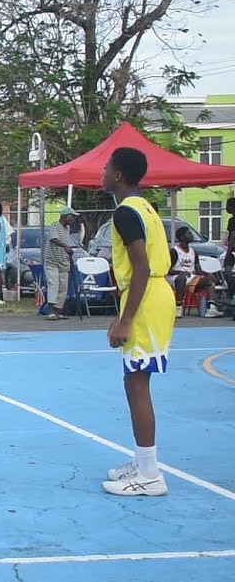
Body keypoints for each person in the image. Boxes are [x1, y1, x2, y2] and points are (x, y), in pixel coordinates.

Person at [101, 147, 174, 497]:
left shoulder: (125, 213)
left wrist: (125, 320)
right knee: (134, 380)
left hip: (147, 298)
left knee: (137, 384)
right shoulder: (144, 207)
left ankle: (150, 473)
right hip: (152, 294)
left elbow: (141, 267)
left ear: (118, 175)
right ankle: (141, 459)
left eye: (107, 167)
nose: (102, 171)